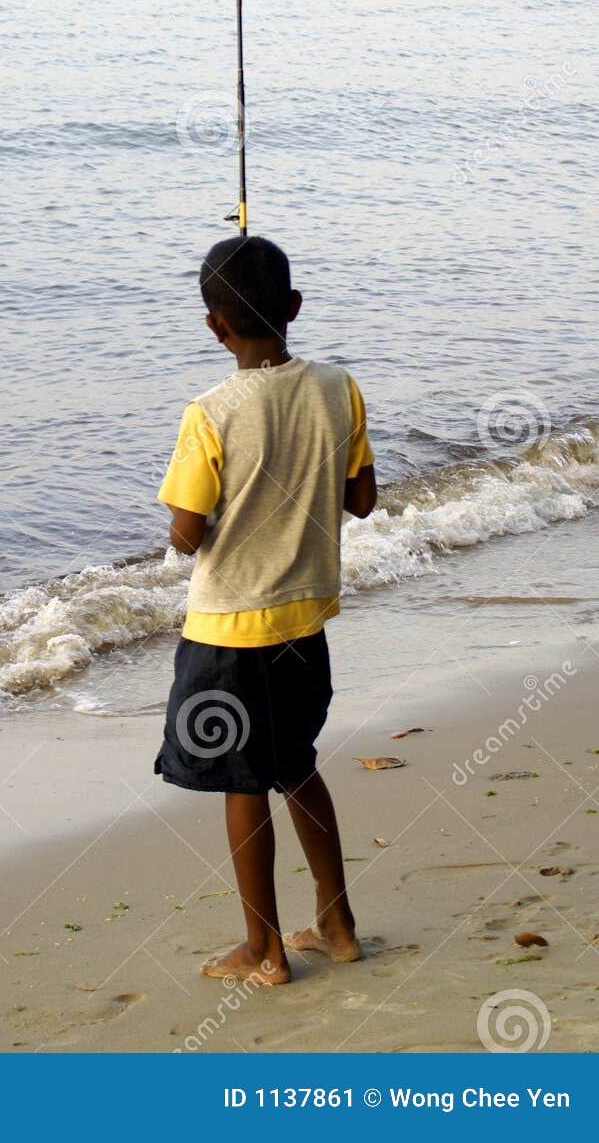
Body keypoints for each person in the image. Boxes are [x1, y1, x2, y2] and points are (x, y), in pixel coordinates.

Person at [154, 234, 377, 985]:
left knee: (242, 783)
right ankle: (337, 924)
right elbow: (362, 500)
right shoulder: (337, 388)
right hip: (303, 625)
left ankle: (263, 949)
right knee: (296, 767)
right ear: (292, 309)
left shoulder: (209, 412)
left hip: (227, 631)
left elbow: (186, 534)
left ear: (213, 325)